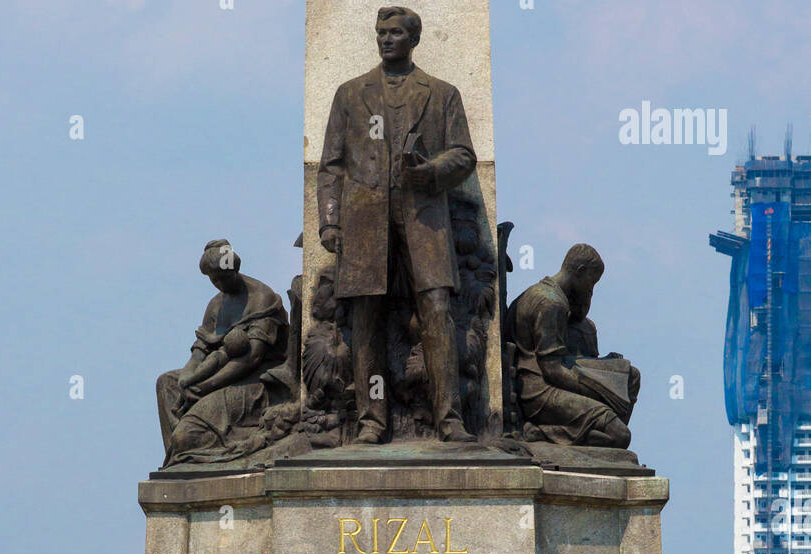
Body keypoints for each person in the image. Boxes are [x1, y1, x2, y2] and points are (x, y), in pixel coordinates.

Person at [317, 6, 476, 444]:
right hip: (365, 220)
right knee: (366, 318)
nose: (386, 39)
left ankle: (449, 418)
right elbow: (330, 166)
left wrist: (432, 171)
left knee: (438, 310)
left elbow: (463, 154)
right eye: (381, 33)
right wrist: (329, 224)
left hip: (424, 218)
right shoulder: (350, 93)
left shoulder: (442, 93)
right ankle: (372, 419)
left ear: (414, 39)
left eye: (395, 33)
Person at [156, 240, 289, 467]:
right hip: (216, 373)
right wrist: (187, 379)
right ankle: (179, 457)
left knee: (185, 435)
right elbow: (199, 352)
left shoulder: (261, 298)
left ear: (235, 269)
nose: (219, 283)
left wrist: (206, 386)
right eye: (213, 278)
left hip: (255, 382)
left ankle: (191, 450)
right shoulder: (216, 305)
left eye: (223, 277)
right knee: (167, 382)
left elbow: (252, 358)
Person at [505, 243, 640, 447]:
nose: (591, 289)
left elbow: (575, 330)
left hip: (547, 384)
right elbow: (552, 371)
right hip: (538, 393)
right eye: (591, 283)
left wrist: (606, 367)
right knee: (620, 435)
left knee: (630, 375)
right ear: (580, 271)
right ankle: (539, 434)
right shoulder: (551, 303)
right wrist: (605, 392)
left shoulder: (547, 295)